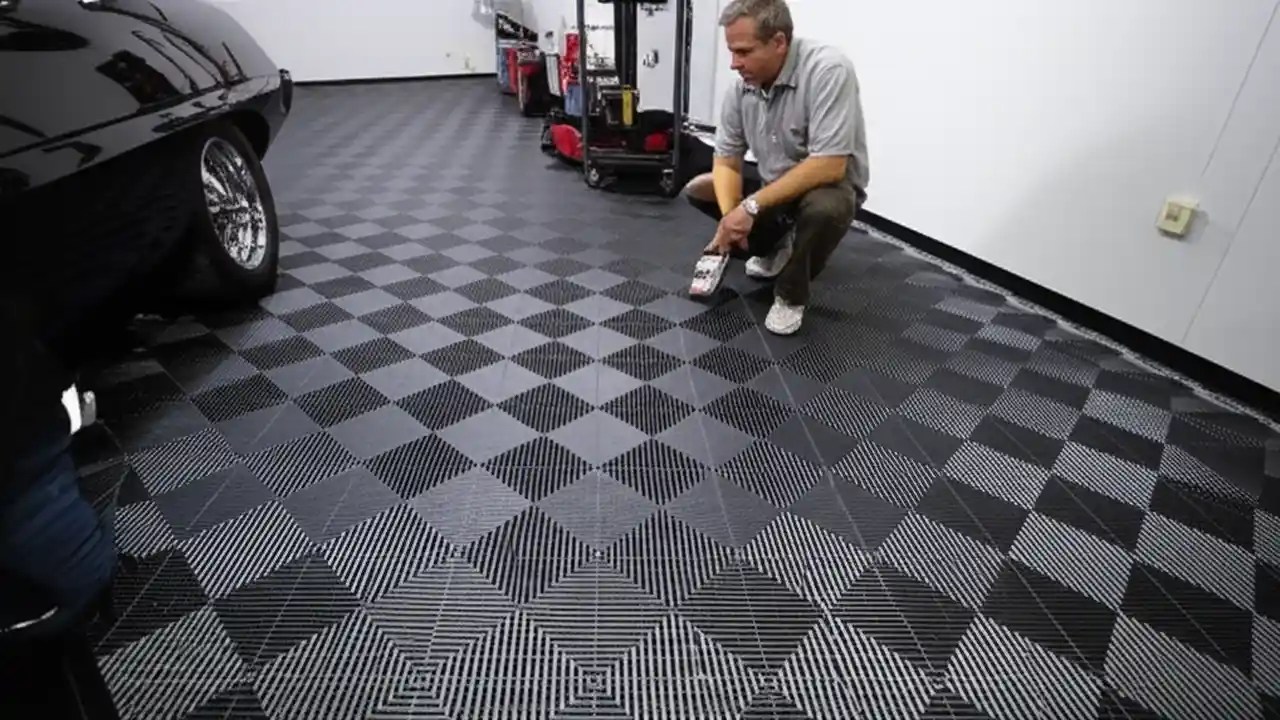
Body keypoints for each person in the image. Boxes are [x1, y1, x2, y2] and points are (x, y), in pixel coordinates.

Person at [684, 0, 870, 335]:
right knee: (699, 188)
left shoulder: (828, 69)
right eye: (730, 51)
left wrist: (750, 206)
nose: (733, 64)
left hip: (828, 185)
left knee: (826, 208)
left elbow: (829, 165)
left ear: (779, 42)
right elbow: (727, 160)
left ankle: (791, 293)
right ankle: (774, 246)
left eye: (743, 52)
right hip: (776, 185)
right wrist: (732, 218)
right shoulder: (740, 88)